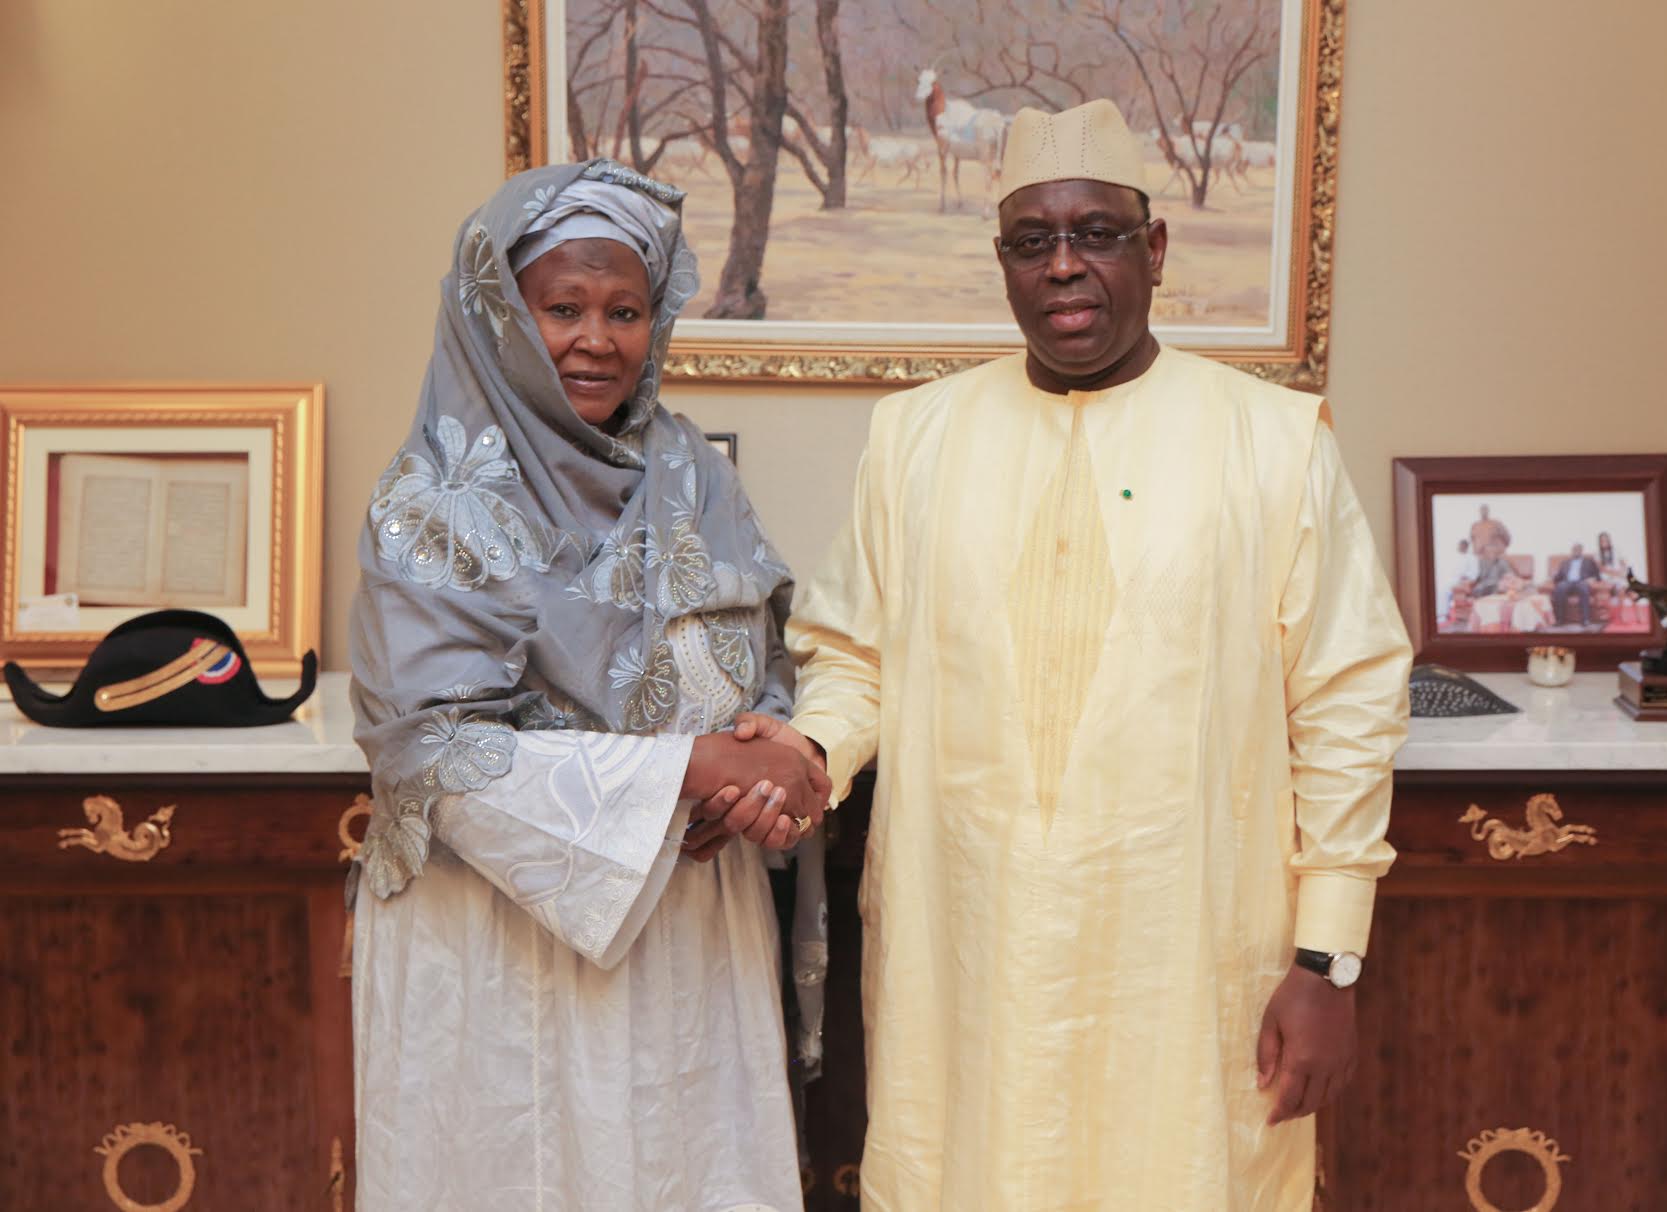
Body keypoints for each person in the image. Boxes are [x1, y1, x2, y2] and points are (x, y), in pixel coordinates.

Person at [742, 100, 1411, 1210]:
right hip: (969, 952)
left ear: (1153, 250)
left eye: (1097, 233)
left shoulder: (1274, 440)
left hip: (1191, 957)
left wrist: (1328, 963)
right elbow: (853, 655)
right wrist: (810, 752)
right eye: (1031, 241)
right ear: (1000, 261)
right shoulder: (915, 437)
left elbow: (1347, 704)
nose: (1064, 266)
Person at [346, 160, 830, 1211]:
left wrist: (767, 764)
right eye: (561, 307)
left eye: (625, 309)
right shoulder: (434, 499)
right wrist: (689, 770)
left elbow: (765, 659)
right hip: (493, 949)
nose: (597, 339)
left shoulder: (694, 471)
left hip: (688, 935)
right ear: (499, 314)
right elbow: (431, 753)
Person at [1552, 542, 1598, 625]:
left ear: (1581, 551)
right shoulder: (1565, 562)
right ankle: (1559, 620)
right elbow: (1558, 576)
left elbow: (1596, 574)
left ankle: (1585, 619)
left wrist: (1592, 579)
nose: (1576, 551)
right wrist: (1554, 576)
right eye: (1574, 549)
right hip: (1567, 581)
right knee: (1559, 588)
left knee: (1584, 588)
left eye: (1578, 549)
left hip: (1581, 581)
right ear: (1572, 551)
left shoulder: (1588, 561)